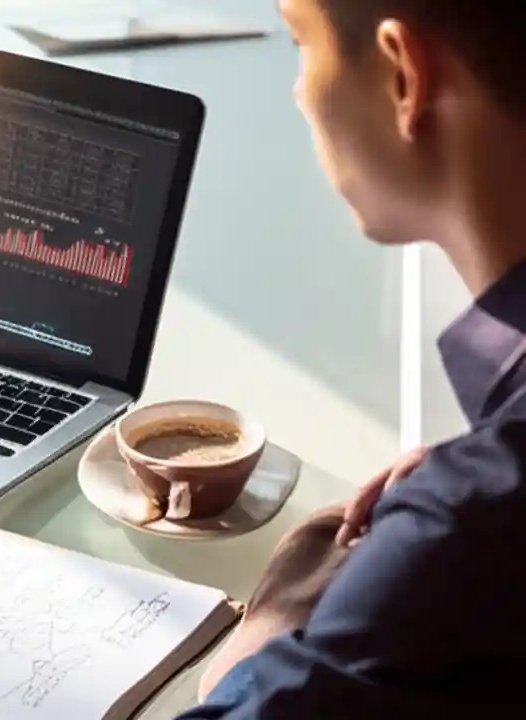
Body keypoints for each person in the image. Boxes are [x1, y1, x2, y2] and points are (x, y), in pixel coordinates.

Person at [177, 1, 526, 717]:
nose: (300, 90)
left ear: (405, 76)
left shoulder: (468, 527)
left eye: (302, 42)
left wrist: (266, 635)